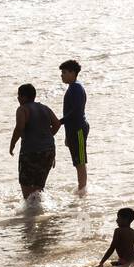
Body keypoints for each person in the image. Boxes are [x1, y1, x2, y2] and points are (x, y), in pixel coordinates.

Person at [9, 83, 61, 200]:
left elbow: (19, 128)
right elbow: (57, 124)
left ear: (24, 97)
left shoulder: (22, 109)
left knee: (26, 187)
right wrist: (46, 136)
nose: (17, 98)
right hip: (49, 151)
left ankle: (30, 216)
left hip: (31, 152)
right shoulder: (45, 108)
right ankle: (41, 213)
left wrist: (12, 145)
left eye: (19, 96)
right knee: (38, 187)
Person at [59, 60, 89, 192]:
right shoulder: (72, 87)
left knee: (80, 161)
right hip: (73, 130)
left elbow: (76, 111)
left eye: (64, 72)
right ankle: (81, 188)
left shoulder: (76, 87)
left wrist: (60, 121)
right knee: (77, 162)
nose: (62, 75)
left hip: (79, 129)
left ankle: (82, 190)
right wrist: (67, 134)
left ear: (72, 72)